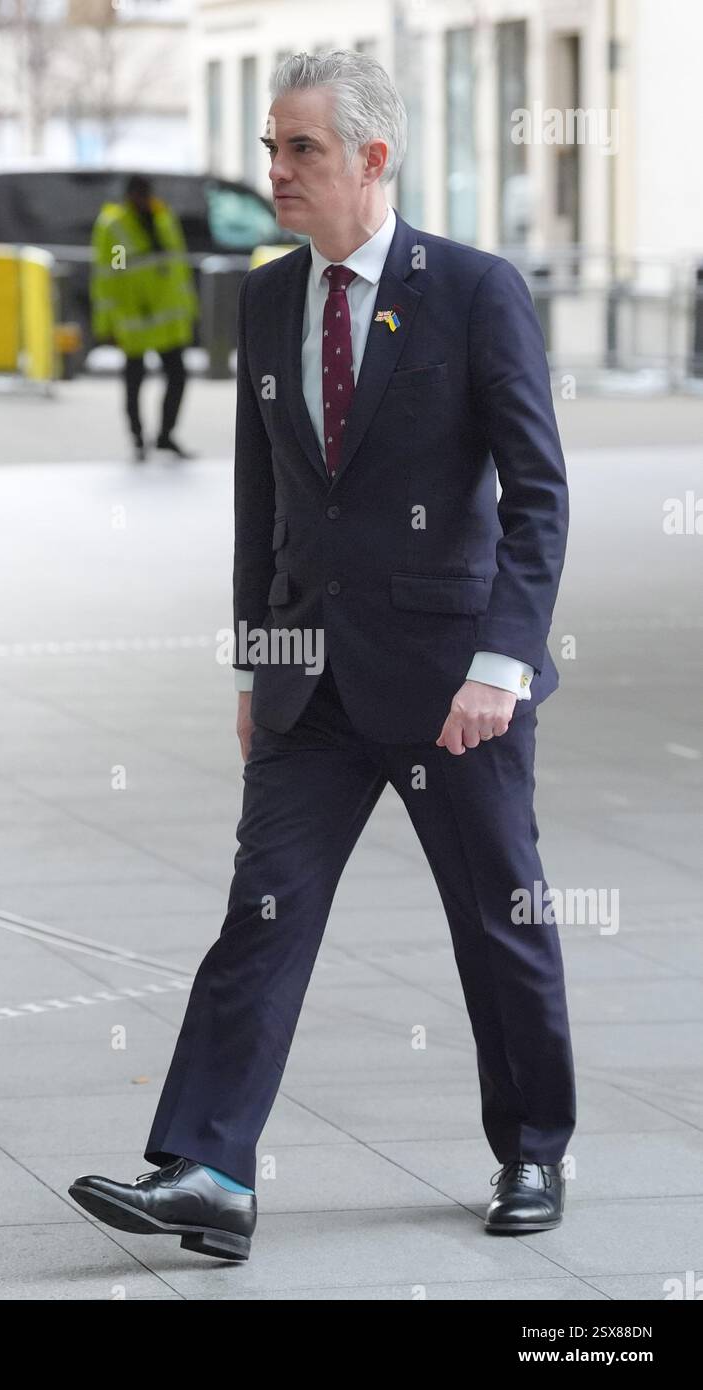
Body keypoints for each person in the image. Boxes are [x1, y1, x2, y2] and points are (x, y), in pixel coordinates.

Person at [69, 49, 575, 1263]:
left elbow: (538, 495)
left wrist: (501, 666)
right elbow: (267, 506)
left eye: (300, 149)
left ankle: (533, 1148)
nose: (277, 171)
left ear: (371, 157)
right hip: (311, 681)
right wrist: (257, 663)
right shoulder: (264, 296)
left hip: (456, 684)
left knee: (496, 917)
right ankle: (210, 1171)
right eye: (272, 147)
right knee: (262, 911)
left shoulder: (471, 289)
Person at [90, 173, 199, 461]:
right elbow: (106, 278)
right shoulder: (113, 227)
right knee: (134, 381)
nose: (144, 200)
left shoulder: (163, 217)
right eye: (139, 195)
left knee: (177, 376)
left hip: (167, 319)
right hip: (133, 320)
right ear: (128, 196)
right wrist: (106, 324)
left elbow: (178, 266)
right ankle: (138, 438)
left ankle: (165, 435)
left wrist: (188, 309)